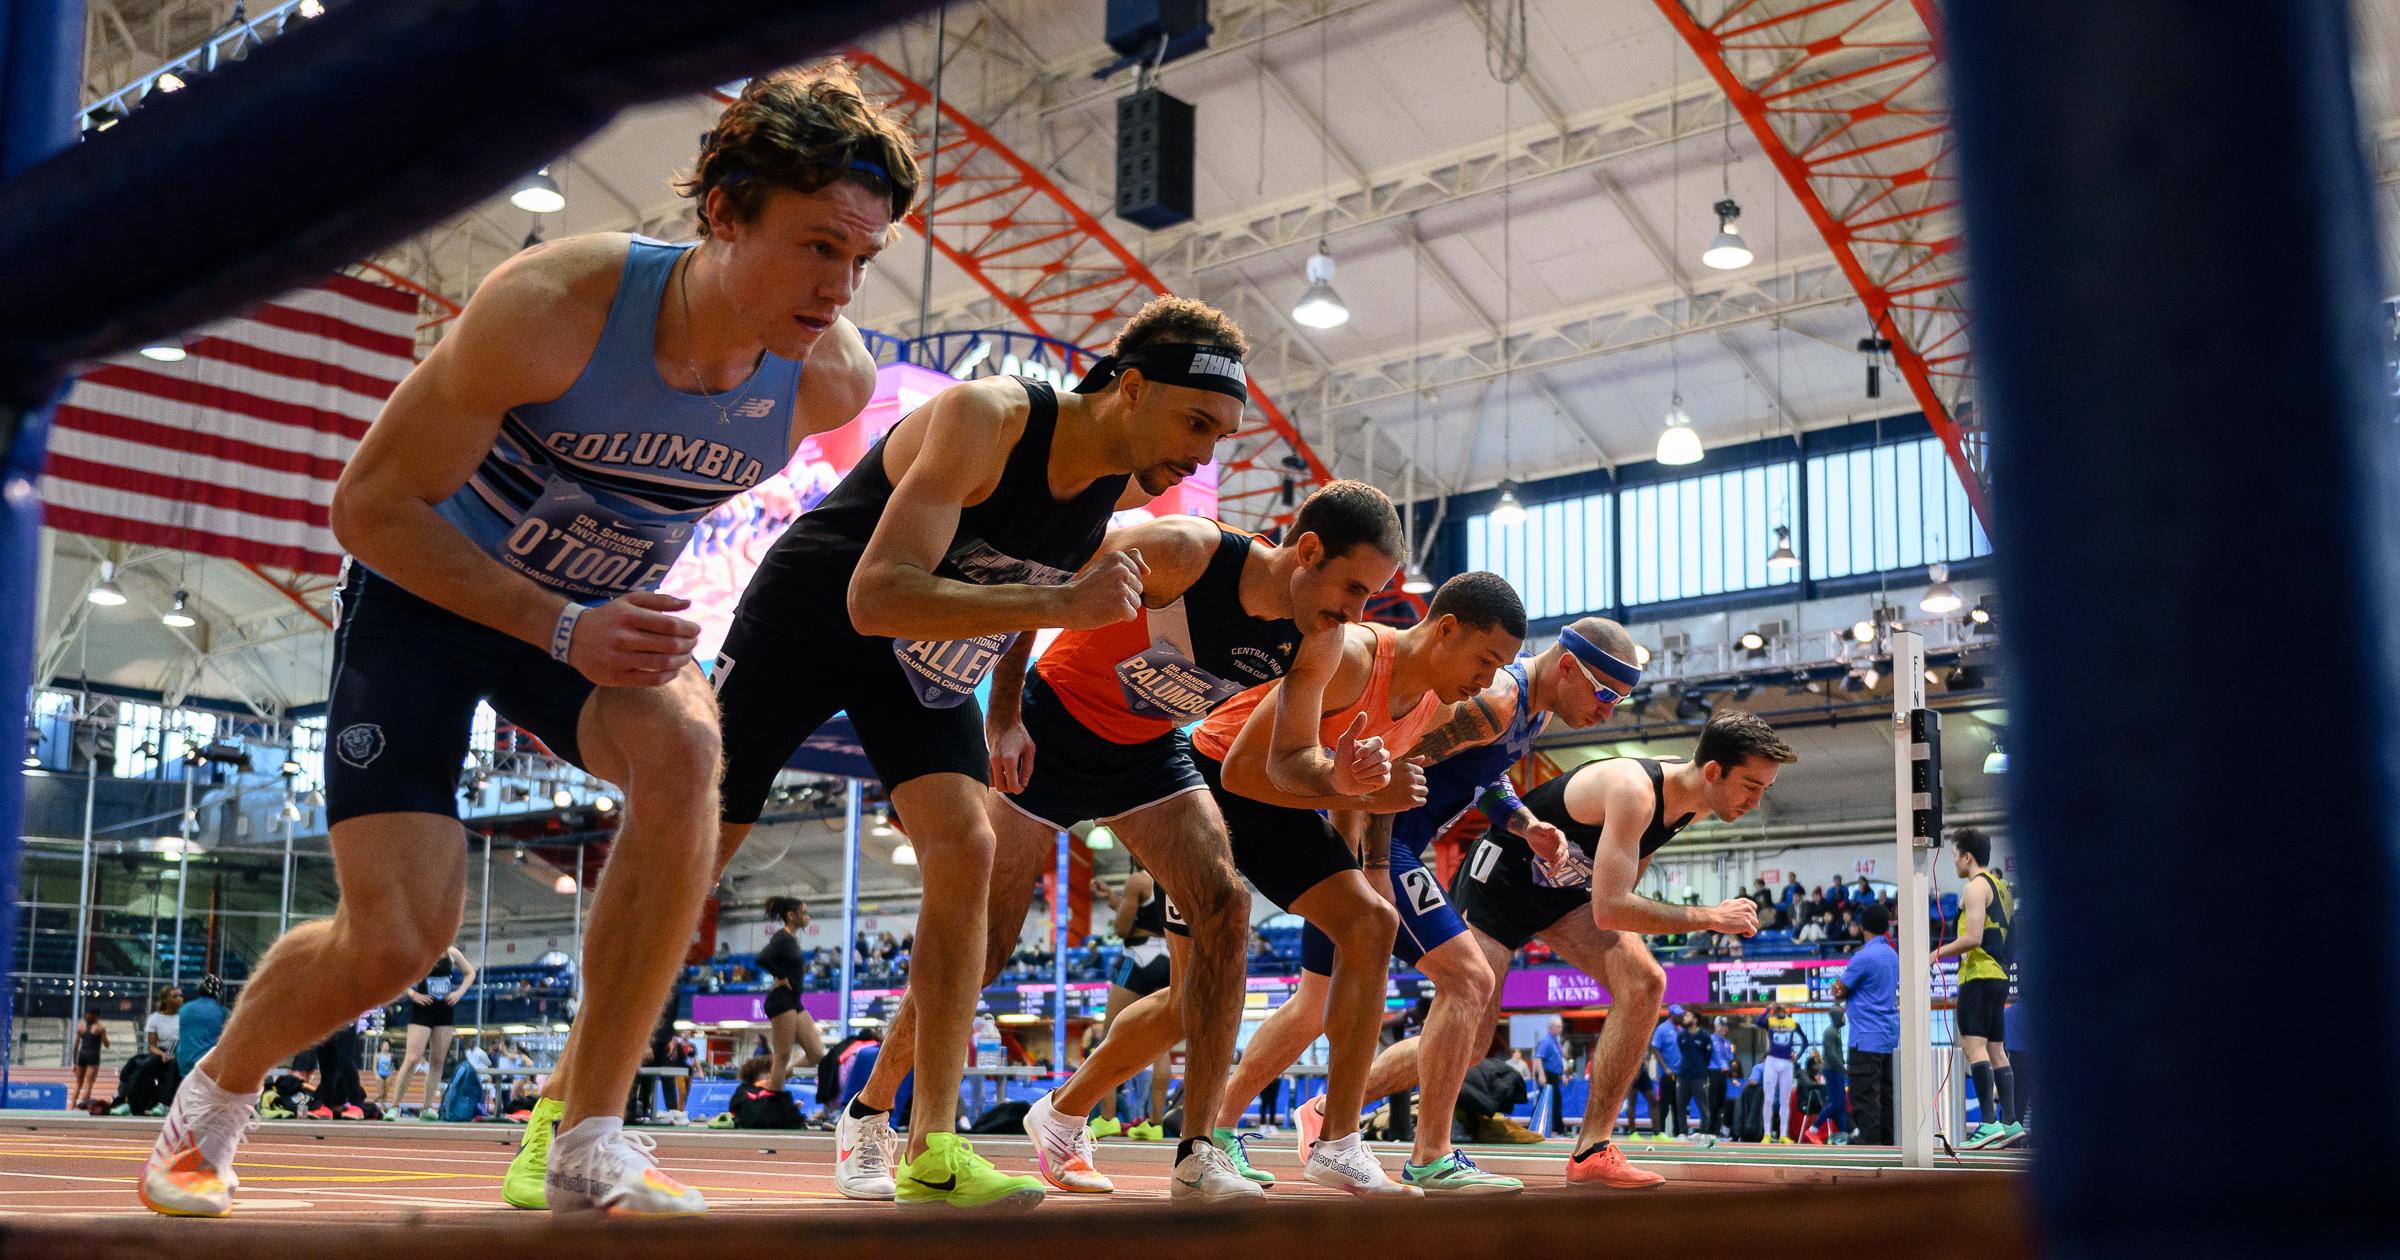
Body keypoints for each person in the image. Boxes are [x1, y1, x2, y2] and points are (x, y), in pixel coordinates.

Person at [150, 66, 911, 1222]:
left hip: (587, 629)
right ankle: (210, 1102)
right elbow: (367, 511)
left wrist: (589, 623)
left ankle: (588, 1136)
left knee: (688, 758)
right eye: (816, 247)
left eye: (862, 259)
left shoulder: (824, 378)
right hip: (432, 598)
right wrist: (560, 618)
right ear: (724, 211)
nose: (839, 287)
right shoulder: (555, 305)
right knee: (400, 939)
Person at [723, 287, 1249, 1215]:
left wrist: (1005, 713)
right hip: (815, 617)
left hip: (923, 658)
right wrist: (1057, 612)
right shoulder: (988, 416)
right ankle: (562, 1119)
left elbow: (1029, 582)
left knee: (966, 851)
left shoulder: (1116, 491)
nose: (1204, 453)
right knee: (699, 849)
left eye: (1221, 436)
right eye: (1196, 421)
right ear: (1129, 388)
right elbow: (875, 595)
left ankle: (924, 1147)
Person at [844, 481, 1401, 1203]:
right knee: (983, 948)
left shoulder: (1315, 637)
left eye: (1371, 599)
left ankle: (1199, 1151)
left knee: (1225, 905)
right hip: (1051, 728)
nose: (1356, 613)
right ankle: (870, 1114)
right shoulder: (1182, 551)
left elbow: (1286, 761)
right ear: (1310, 550)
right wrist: (1005, 712)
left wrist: (1341, 775)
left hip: (1145, 756)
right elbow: (1038, 594)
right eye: (1353, 588)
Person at [1054, 573, 1526, 1199]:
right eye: (1487, 660)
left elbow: (1357, 778)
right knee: (1187, 999)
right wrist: (1349, 787)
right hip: (1208, 785)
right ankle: (1062, 1113)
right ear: (1444, 629)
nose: (1489, 682)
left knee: (1371, 924)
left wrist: (1363, 864)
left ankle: (1338, 1142)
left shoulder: (1437, 704)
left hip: (1288, 805)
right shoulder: (1353, 657)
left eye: (1504, 669)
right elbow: (1247, 771)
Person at [1208, 616, 1639, 1192]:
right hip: (1385, 845)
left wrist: (1525, 822)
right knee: (1469, 980)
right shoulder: (1497, 700)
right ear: (1567, 666)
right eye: (1606, 694)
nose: (1608, 712)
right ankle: (1430, 1154)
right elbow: (1390, 755)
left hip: (1360, 844)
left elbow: (1482, 775)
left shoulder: (1527, 709)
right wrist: (1377, 867)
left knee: (1314, 1004)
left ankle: (1219, 1130)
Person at [1446, 710, 1795, 1189]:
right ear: (1713, 771)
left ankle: (1591, 1149)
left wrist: (1621, 902)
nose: (1755, 802)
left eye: (1764, 790)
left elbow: (1620, 891)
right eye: (1751, 786)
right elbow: (1613, 910)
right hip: (1501, 884)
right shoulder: (1635, 790)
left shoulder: (1692, 804)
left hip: (1564, 893)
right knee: (1470, 1043)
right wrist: (1711, 917)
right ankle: (1335, 1104)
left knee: (1645, 982)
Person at [1932, 827, 2021, 1148]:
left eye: (1955, 855)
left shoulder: (1974, 889)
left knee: (1974, 1046)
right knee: (1997, 1048)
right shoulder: (2002, 888)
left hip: (1978, 976)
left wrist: (1935, 954)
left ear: (1968, 857)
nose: (1954, 861)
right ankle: (2010, 1123)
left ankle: (1987, 1124)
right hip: (1999, 976)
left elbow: (1972, 938)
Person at [1091, 862, 1172, 1140]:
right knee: (1162, 1044)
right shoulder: (1176, 875)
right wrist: (1115, 899)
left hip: (1139, 959)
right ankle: (1155, 1123)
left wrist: (1123, 905)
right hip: (1170, 958)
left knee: (1109, 1037)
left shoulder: (1139, 880)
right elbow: (1151, 917)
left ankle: (1107, 1118)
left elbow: (1124, 929)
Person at [378, 945, 475, 1115]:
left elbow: (470, 973)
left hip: (444, 1010)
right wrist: (412, 993)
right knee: (413, 1058)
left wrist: (459, 993)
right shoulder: (420, 950)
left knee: (438, 1060)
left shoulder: (451, 953)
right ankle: (394, 1106)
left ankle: (427, 1107)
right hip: (423, 1009)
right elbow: (397, 974)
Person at [1834, 903, 1898, 1144]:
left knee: (1865, 1099)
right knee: (1886, 1098)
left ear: (1862, 927)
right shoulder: (1893, 955)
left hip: (1865, 1040)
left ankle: (1870, 1158)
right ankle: (1890, 1153)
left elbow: (1840, 989)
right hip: (1888, 1038)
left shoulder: (1863, 957)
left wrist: (1838, 987)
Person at [757, 897, 826, 1091]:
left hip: (794, 1001)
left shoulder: (791, 939)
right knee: (782, 1055)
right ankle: (773, 1103)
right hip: (781, 1001)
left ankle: (772, 1083)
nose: (807, 917)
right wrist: (781, 976)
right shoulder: (782, 937)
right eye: (804, 913)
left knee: (816, 1053)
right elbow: (762, 958)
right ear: (791, 915)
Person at [1754, 1002, 1804, 1143]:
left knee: (1784, 1101)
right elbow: (1758, 1021)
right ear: (1775, 1011)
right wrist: (1768, 1009)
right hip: (1772, 1062)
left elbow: (1804, 1041)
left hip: (1787, 1063)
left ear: (1786, 1010)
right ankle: (1767, 1134)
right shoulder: (1770, 1021)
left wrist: (1797, 1056)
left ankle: (1783, 1134)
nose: (1780, 1012)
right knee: (1768, 1099)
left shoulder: (1792, 1023)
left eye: (1782, 1009)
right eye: (1778, 1010)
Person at [174, 977, 229, 1090]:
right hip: (207, 1066)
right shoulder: (223, 1012)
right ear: (219, 993)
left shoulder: (184, 1008)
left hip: (183, 1063)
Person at [1674, 1009, 1713, 1143]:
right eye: (1684, 1015)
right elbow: (1681, 1050)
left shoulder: (1704, 1036)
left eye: (1688, 1015)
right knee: (1681, 1105)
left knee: (1703, 1106)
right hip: (1683, 1075)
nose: (1684, 1018)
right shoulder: (1681, 1036)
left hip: (1699, 1076)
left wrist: (1700, 1067)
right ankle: (1683, 1132)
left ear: (1695, 1019)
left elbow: (1707, 1056)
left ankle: (1704, 1132)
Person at [1651, 1005, 1686, 1138]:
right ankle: (1659, 1132)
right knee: (1664, 1103)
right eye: (1679, 1015)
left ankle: (1678, 1132)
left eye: (1682, 1015)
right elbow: (1654, 1048)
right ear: (1671, 1015)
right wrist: (1665, 1067)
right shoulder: (1662, 1029)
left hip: (1680, 1073)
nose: (1681, 1017)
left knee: (1679, 1103)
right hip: (1667, 1073)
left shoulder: (1681, 1029)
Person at [1819, 1004, 1850, 1142]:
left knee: (1841, 1104)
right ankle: (1813, 1128)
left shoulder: (1835, 1032)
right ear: (1837, 1017)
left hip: (1836, 1070)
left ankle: (1844, 1133)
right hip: (1832, 1070)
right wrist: (1843, 1069)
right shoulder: (1830, 1032)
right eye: (1843, 1015)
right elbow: (1831, 1054)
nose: (1845, 1018)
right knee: (1835, 1103)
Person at [1534, 1016, 1567, 1134]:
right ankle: (1558, 1128)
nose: (1560, 1029)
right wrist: (1542, 1075)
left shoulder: (1555, 1042)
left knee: (1552, 1101)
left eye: (1561, 1026)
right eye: (1558, 1026)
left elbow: (1558, 1060)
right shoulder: (1546, 1041)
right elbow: (1538, 1059)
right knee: (1547, 1100)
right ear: (1551, 1028)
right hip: (1547, 1074)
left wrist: (1562, 1074)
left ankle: (1556, 1127)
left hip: (1553, 1075)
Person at [70, 1012, 108, 1110]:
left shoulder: (81, 1027)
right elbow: (106, 1044)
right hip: (93, 1055)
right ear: (96, 1016)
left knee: (78, 1084)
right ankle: (83, 1107)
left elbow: (75, 1046)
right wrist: (103, 1034)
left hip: (82, 1055)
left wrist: (74, 1063)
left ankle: (71, 1106)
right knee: (88, 1084)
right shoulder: (99, 1028)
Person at [1707, 1016, 1737, 1137]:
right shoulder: (1710, 1040)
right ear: (1716, 1025)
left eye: (1726, 1026)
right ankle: (1710, 1129)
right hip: (1712, 1072)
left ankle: (1717, 1130)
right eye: (1722, 1025)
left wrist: (1732, 1072)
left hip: (1723, 1074)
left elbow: (1730, 1058)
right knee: (1712, 1103)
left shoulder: (1727, 1042)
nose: (1724, 1028)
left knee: (1720, 1104)